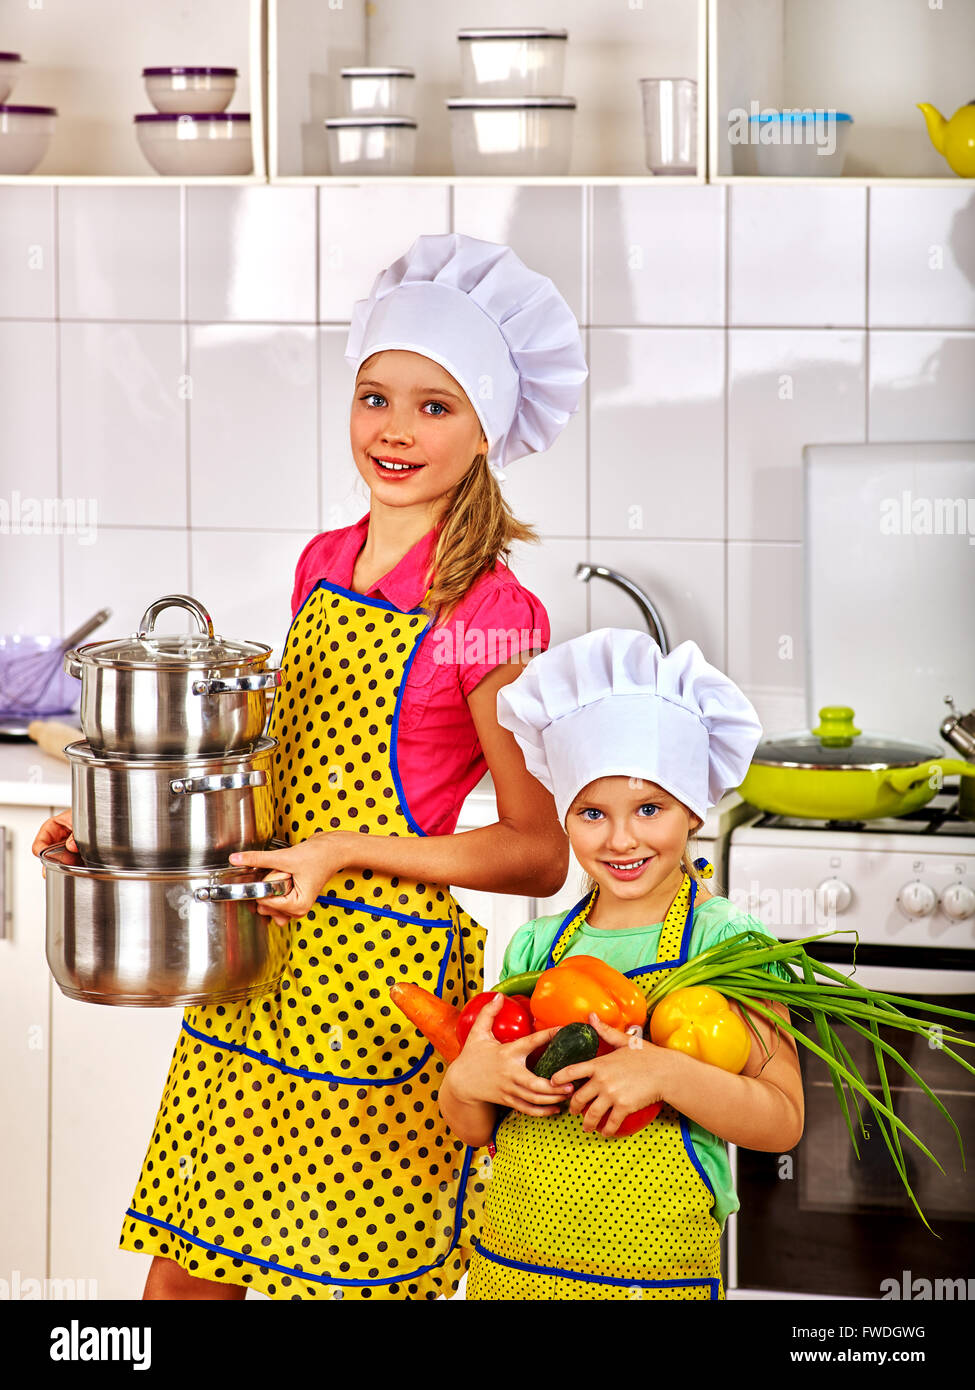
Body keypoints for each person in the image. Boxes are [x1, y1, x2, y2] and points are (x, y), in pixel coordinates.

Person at [32, 232, 588, 1301]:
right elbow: (267, 779)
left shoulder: (490, 613)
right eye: (377, 396)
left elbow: (534, 851)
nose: (394, 429)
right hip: (251, 970)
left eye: (436, 406)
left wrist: (342, 851)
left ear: (487, 432)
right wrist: (113, 840)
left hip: (376, 999)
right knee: (183, 1282)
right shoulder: (323, 561)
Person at [438, 628, 805, 1300]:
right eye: (590, 813)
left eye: (648, 808)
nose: (621, 838)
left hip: (654, 1276)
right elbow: (470, 1126)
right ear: (564, 817)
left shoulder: (726, 943)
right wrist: (466, 1081)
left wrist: (664, 1071)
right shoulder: (535, 949)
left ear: (692, 809)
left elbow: (780, 1121)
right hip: (510, 1269)